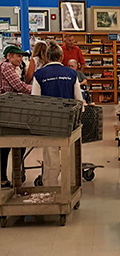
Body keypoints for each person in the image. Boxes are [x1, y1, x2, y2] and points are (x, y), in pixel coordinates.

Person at [32, 42, 83, 186]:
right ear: (61, 57)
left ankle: (51, 189)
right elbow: (79, 100)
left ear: (47, 57)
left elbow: (35, 100)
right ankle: (71, 187)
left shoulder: (39, 74)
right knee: (71, 157)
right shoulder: (71, 74)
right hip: (69, 122)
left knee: (50, 159)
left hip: (48, 123)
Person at [0, 43, 31, 187]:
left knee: (11, 144)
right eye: (18, 56)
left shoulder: (14, 68)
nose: (21, 59)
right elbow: (18, 86)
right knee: (9, 143)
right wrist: (36, 88)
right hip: (6, 110)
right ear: (9, 56)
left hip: (10, 108)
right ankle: (6, 177)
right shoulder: (6, 67)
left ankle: (12, 175)